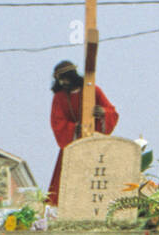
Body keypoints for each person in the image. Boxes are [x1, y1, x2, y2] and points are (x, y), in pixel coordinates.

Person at [48, 60, 119, 206]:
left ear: (72, 76)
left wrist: (103, 113)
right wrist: (74, 128)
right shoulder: (59, 97)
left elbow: (112, 112)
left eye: (65, 78)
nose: (62, 83)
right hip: (72, 144)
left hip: (94, 142)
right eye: (60, 80)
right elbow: (57, 122)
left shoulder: (93, 91)